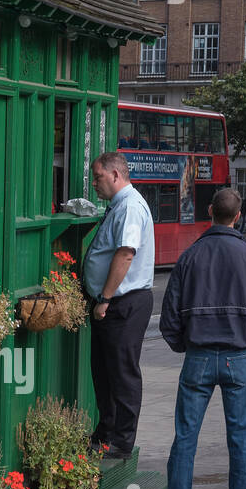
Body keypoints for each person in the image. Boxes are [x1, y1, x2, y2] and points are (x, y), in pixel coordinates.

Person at [158, 187, 246, 489]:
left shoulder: (190, 256)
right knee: (240, 439)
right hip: (237, 358)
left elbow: (169, 316)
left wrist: (184, 345)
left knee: (185, 438)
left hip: (198, 357)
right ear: (238, 216)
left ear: (210, 211)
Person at [84, 152, 156, 457]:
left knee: (122, 373)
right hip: (115, 302)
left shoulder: (129, 206)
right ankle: (106, 432)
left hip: (123, 303)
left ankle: (122, 440)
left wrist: (105, 298)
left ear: (115, 175)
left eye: (98, 177)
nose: (94, 184)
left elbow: (126, 253)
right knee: (104, 371)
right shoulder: (119, 204)